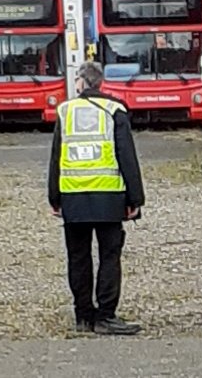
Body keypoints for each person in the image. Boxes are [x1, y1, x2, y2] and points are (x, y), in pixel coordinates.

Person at [48, 61, 146, 335]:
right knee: (109, 256)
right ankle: (105, 316)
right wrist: (135, 199)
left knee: (78, 257)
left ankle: (83, 317)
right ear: (101, 83)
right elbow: (127, 157)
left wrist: (53, 198)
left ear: (80, 82)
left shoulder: (65, 111)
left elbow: (56, 157)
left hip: (73, 197)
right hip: (109, 196)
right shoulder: (115, 110)